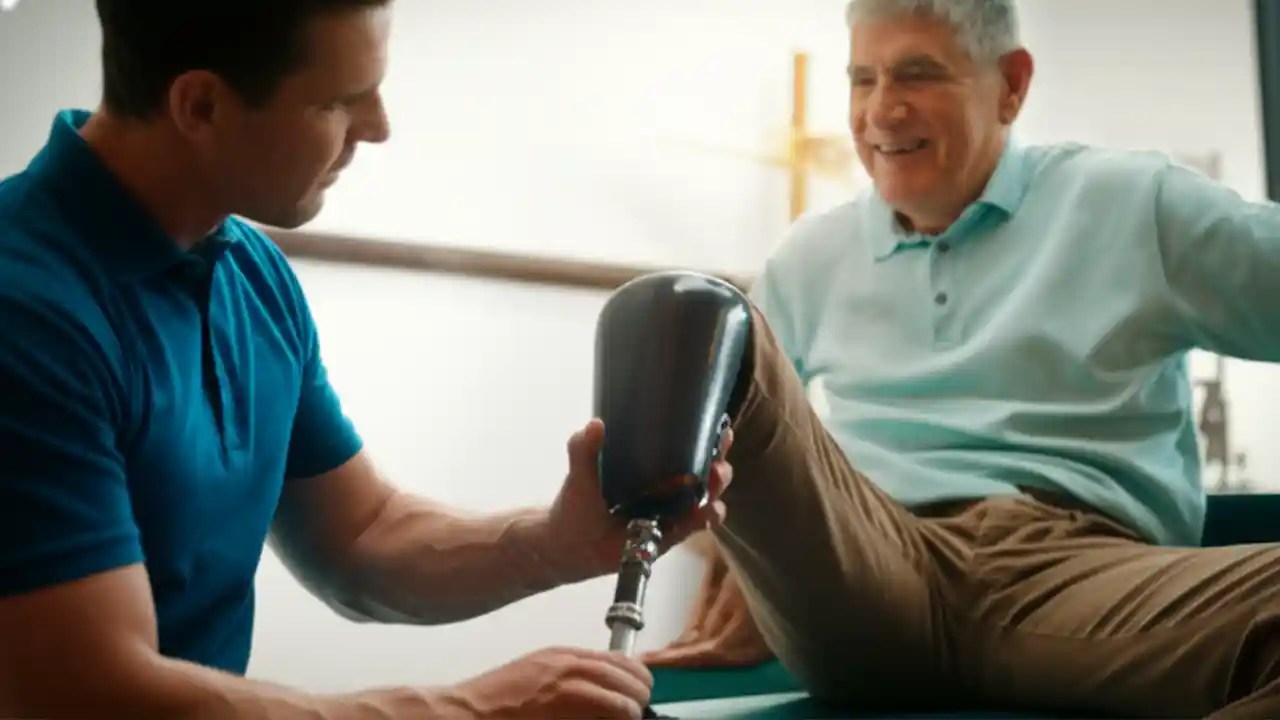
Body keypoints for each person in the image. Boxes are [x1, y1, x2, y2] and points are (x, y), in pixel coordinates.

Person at [0, 2, 733, 719]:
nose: (379, 128)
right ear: (200, 106)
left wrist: (550, 544)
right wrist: (465, 710)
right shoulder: (24, 310)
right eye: (340, 102)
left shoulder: (249, 270)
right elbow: (85, 692)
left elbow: (360, 537)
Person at [644, 0, 1280, 717]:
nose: (881, 112)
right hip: (868, 565)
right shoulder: (811, 255)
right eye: (862, 80)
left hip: (1072, 572)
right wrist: (747, 562)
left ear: (1010, 85)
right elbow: (739, 451)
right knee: (698, 320)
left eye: (917, 74)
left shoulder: (1135, 204)